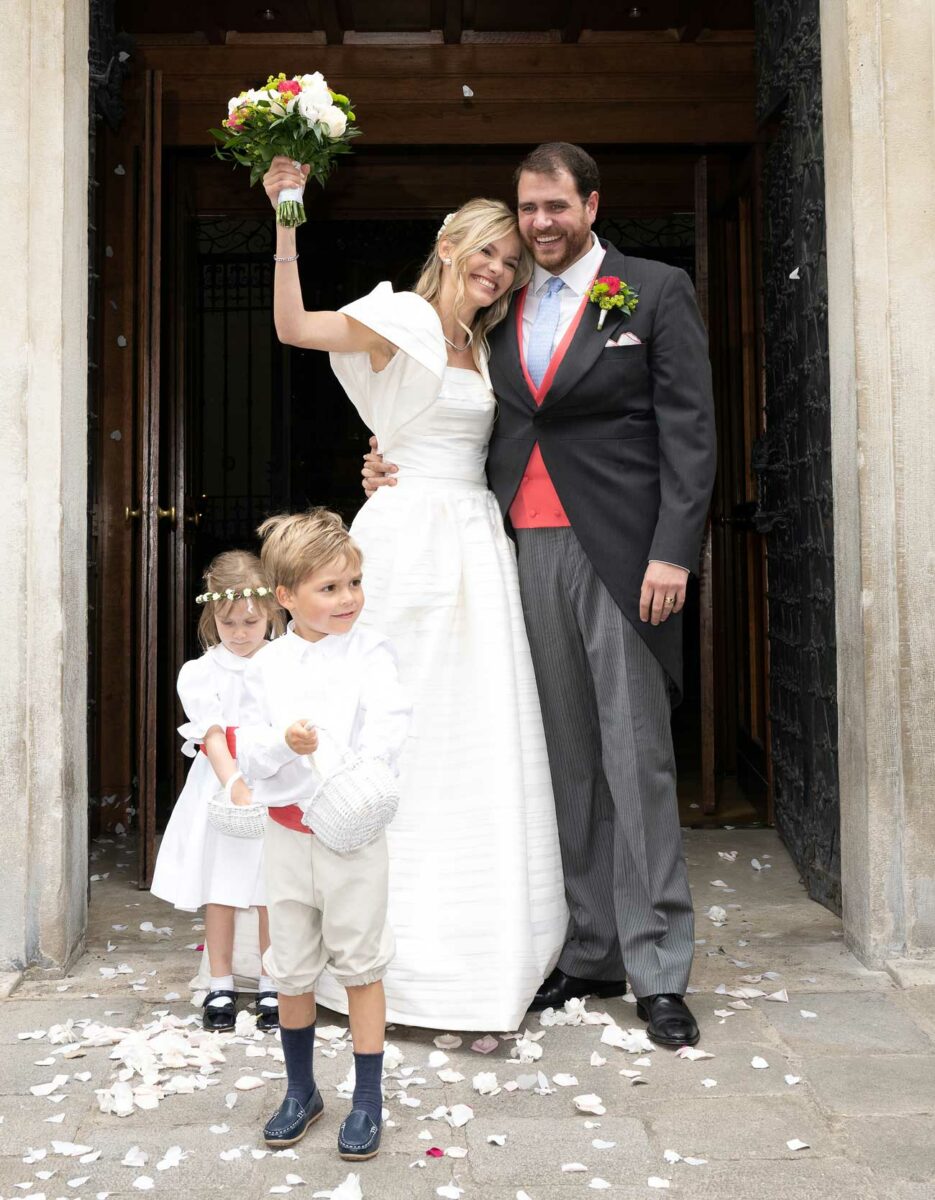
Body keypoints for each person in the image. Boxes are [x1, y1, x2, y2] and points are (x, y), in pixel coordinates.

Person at [365, 143, 717, 1047]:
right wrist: (389, 461)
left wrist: (673, 552)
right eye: (528, 209)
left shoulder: (652, 288)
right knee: (563, 755)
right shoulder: (505, 300)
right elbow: (453, 401)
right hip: (518, 549)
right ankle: (591, 947)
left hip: (624, 555)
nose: (540, 224)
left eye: (556, 206)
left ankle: (657, 966)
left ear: (590, 204)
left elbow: (690, 430)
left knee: (634, 757)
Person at [257, 157, 568, 1031]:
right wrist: (287, 213)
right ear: (448, 245)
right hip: (405, 542)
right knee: (391, 728)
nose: (499, 269)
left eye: (511, 260)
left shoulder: (490, 345)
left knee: (476, 734)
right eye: (488, 251)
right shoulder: (398, 319)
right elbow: (291, 326)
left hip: (475, 543)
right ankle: (368, 951)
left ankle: (479, 954)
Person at [236, 508, 411, 1160]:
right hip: (286, 838)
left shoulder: (370, 652)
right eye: (329, 588)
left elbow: (389, 724)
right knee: (292, 969)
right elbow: (250, 751)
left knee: (360, 964)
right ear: (286, 596)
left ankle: (367, 1099)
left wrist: (355, 775)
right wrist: (285, 743)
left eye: (354, 583)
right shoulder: (266, 667)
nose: (348, 599)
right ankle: (300, 1089)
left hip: (350, 836)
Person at [150, 550, 285, 1032]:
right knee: (223, 889)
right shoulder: (201, 672)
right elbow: (211, 736)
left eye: (250, 621)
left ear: (270, 611)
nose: (241, 632)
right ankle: (221, 984)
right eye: (229, 623)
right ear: (213, 618)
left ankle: (273, 983)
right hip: (222, 785)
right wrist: (234, 784)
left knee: (272, 887)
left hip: (274, 780)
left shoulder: (285, 663)